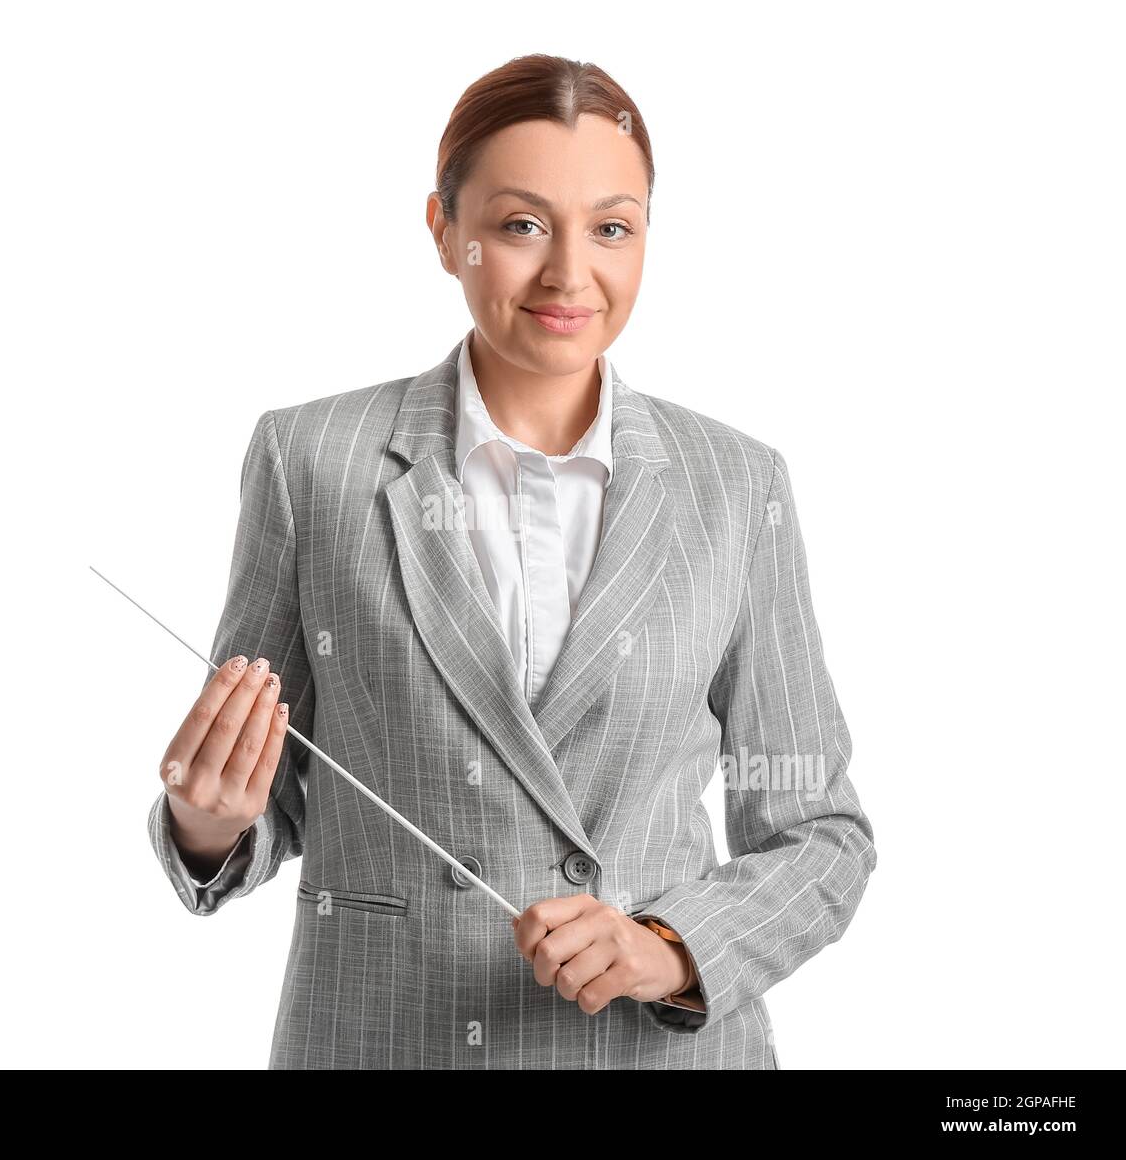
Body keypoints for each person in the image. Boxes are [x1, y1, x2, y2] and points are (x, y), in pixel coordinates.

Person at [147, 52, 876, 1070]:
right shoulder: (311, 459)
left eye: (611, 227)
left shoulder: (735, 484)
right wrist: (204, 820)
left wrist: (664, 948)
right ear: (446, 231)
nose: (570, 273)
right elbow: (262, 794)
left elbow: (819, 834)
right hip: (386, 1041)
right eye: (521, 224)